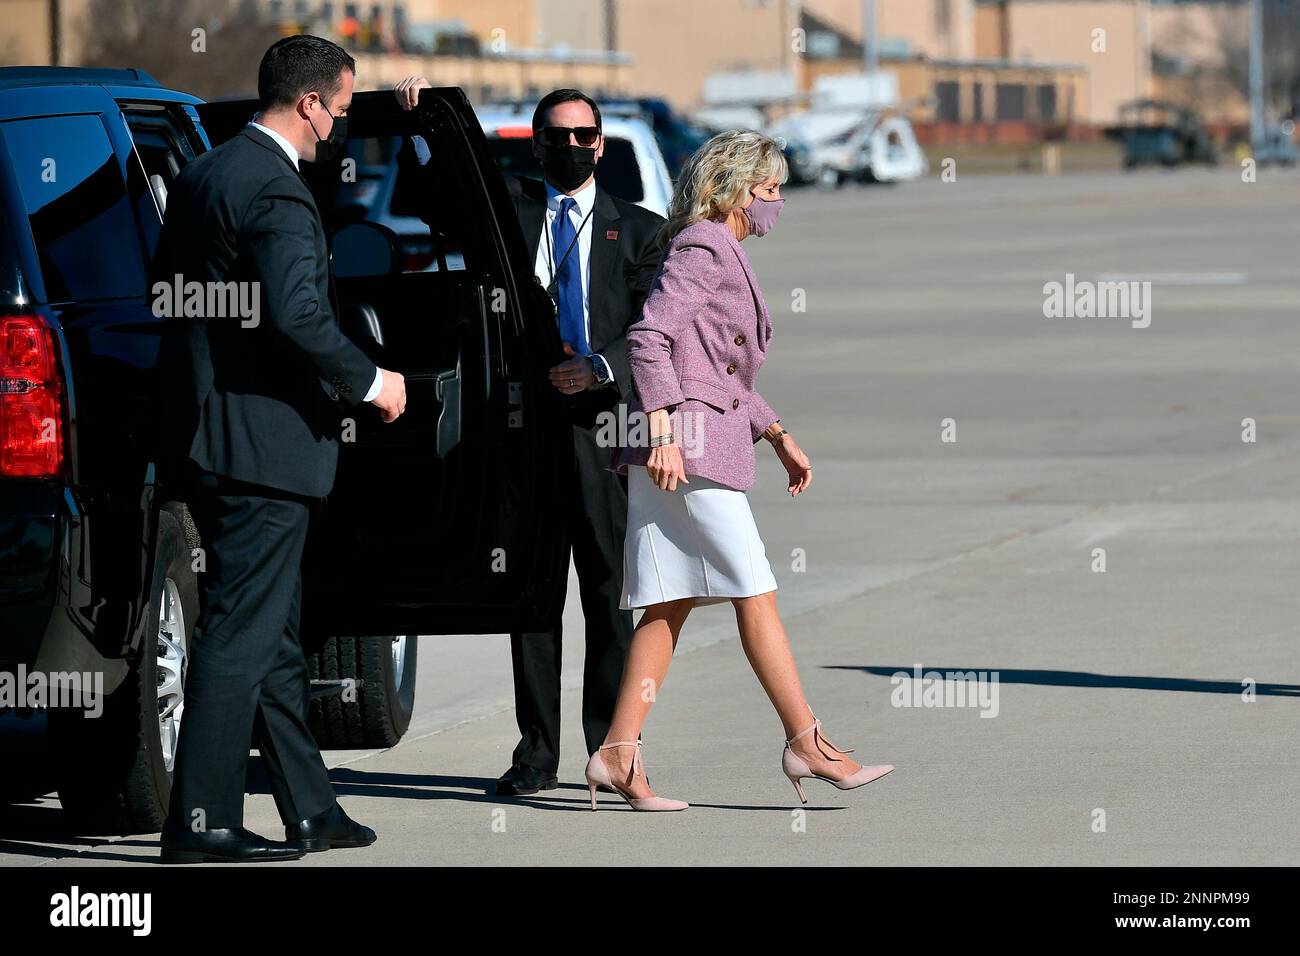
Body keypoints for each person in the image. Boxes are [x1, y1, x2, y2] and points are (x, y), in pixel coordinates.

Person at [152, 35, 406, 862]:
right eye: (337, 111)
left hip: (211, 437)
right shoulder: (278, 191)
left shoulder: (203, 174)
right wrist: (373, 383)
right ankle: (202, 824)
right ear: (308, 104)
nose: (336, 129)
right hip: (263, 450)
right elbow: (298, 315)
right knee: (238, 636)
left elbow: (178, 300)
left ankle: (310, 807)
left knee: (270, 636)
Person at [600, 130, 895, 811]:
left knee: (669, 601)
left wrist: (778, 433)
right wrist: (663, 434)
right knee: (755, 590)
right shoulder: (705, 245)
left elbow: (718, 367)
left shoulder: (721, 247)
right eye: (769, 190)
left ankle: (618, 753)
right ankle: (806, 741)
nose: (777, 203)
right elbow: (651, 338)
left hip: (696, 443)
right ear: (733, 191)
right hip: (687, 451)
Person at [394, 80, 665, 796]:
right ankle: (536, 755)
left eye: (583, 135)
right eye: (555, 136)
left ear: (600, 144)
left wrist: (598, 368)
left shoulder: (637, 229)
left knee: (609, 595)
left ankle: (611, 750)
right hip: (524, 434)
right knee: (533, 599)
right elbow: (431, 202)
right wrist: (419, 123)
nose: (570, 146)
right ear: (536, 143)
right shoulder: (509, 211)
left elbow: (651, 333)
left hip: (603, 430)